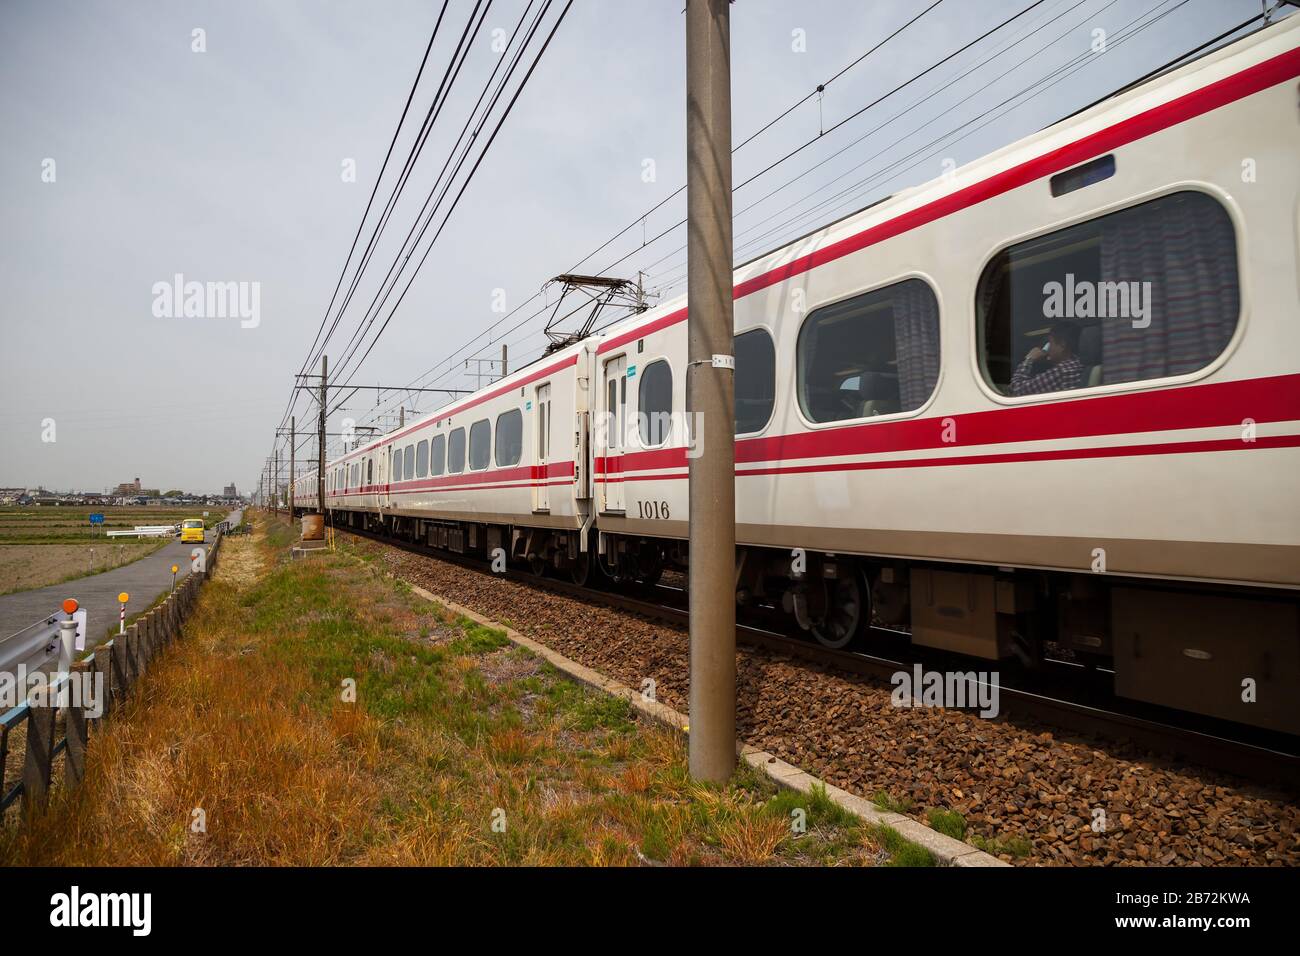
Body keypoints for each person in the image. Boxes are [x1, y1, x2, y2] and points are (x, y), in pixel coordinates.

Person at [1009, 322, 1085, 396]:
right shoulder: (1079, 364)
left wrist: (1029, 359)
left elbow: (1016, 390)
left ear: (1062, 344)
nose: (1048, 348)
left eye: (1050, 343)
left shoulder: (1062, 371)